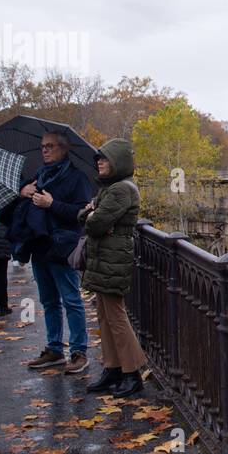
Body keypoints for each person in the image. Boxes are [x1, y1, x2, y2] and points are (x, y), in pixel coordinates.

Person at [12, 130, 93, 374]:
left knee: (71, 299)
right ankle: (55, 348)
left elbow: (82, 215)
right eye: (43, 147)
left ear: (63, 149)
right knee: (48, 301)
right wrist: (23, 192)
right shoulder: (40, 176)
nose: (45, 150)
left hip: (63, 248)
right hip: (40, 246)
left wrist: (52, 204)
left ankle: (79, 351)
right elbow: (25, 204)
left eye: (50, 146)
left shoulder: (77, 178)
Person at [79, 138, 147, 398]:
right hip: (104, 258)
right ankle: (113, 367)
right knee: (105, 316)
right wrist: (92, 214)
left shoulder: (121, 190)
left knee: (116, 316)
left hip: (113, 259)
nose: (99, 162)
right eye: (98, 159)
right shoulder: (111, 188)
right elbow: (85, 218)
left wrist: (93, 216)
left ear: (117, 161)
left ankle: (132, 372)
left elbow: (93, 225)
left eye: (104, 158)